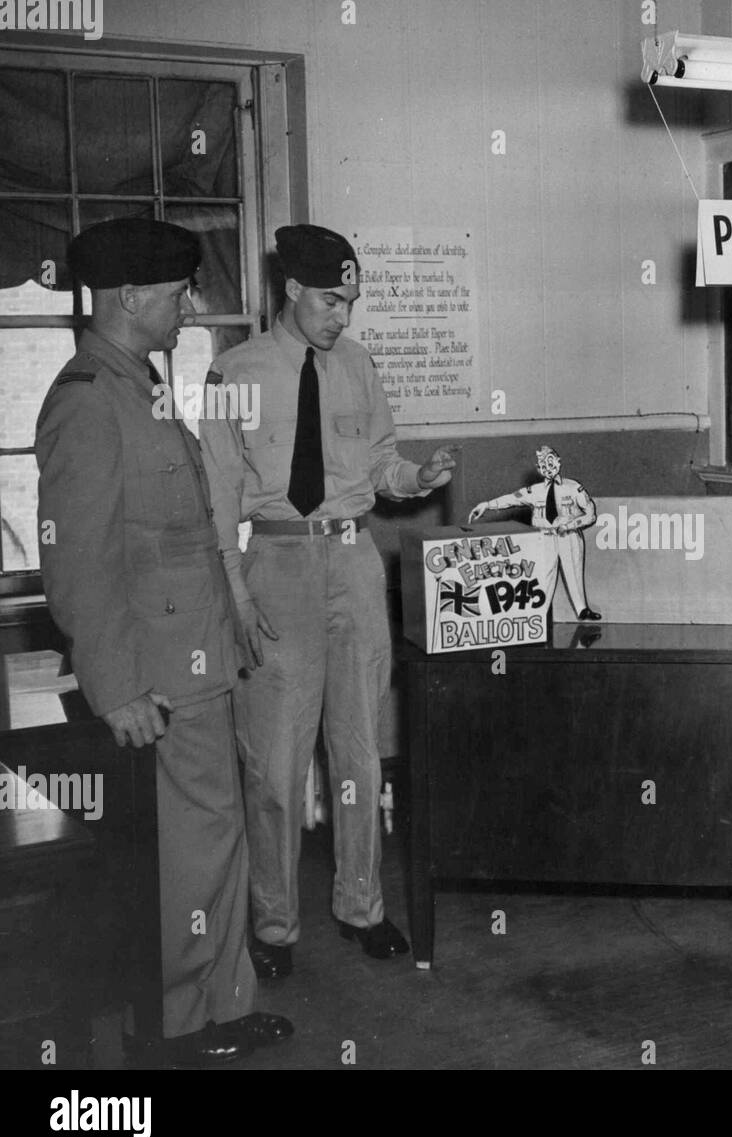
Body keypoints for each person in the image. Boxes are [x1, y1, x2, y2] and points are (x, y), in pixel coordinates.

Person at [36, 217, 291, 1065]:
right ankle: (183, 1024)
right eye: (179, 290)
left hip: (199, 665)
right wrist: (116, 689)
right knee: (191, 852)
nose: (189, 303)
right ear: (132, 296)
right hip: (160, 679)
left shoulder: (131, 381)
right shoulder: (87, 399)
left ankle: (214, 1005)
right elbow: (78, 561)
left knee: (214, 841)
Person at [200, 224, 458, 979]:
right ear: (291, 291)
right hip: (274, 560)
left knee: (360, 750)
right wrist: (235, 590)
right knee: (275, 762)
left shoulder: (357, 366)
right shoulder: (233, 372)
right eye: (328, 301)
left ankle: (361, 906)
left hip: (352, 558)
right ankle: (274, 927)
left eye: (349, 301)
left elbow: (381, 462)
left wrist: (418, 478)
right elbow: (218, 494)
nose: (341, 316)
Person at [468, 445, 601, 620]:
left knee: (573, 571)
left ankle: (582, 610)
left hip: (568, 536)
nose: (548, 469)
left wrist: (571, 524)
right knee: (544, 575)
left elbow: (590, 514)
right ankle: (540, 615)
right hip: (545, 537)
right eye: (543, 466)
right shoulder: (535, 490)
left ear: (559, 462)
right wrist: (487, 505)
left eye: (551, 463)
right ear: (539, 469)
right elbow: (511, 499)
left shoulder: (573, 487)